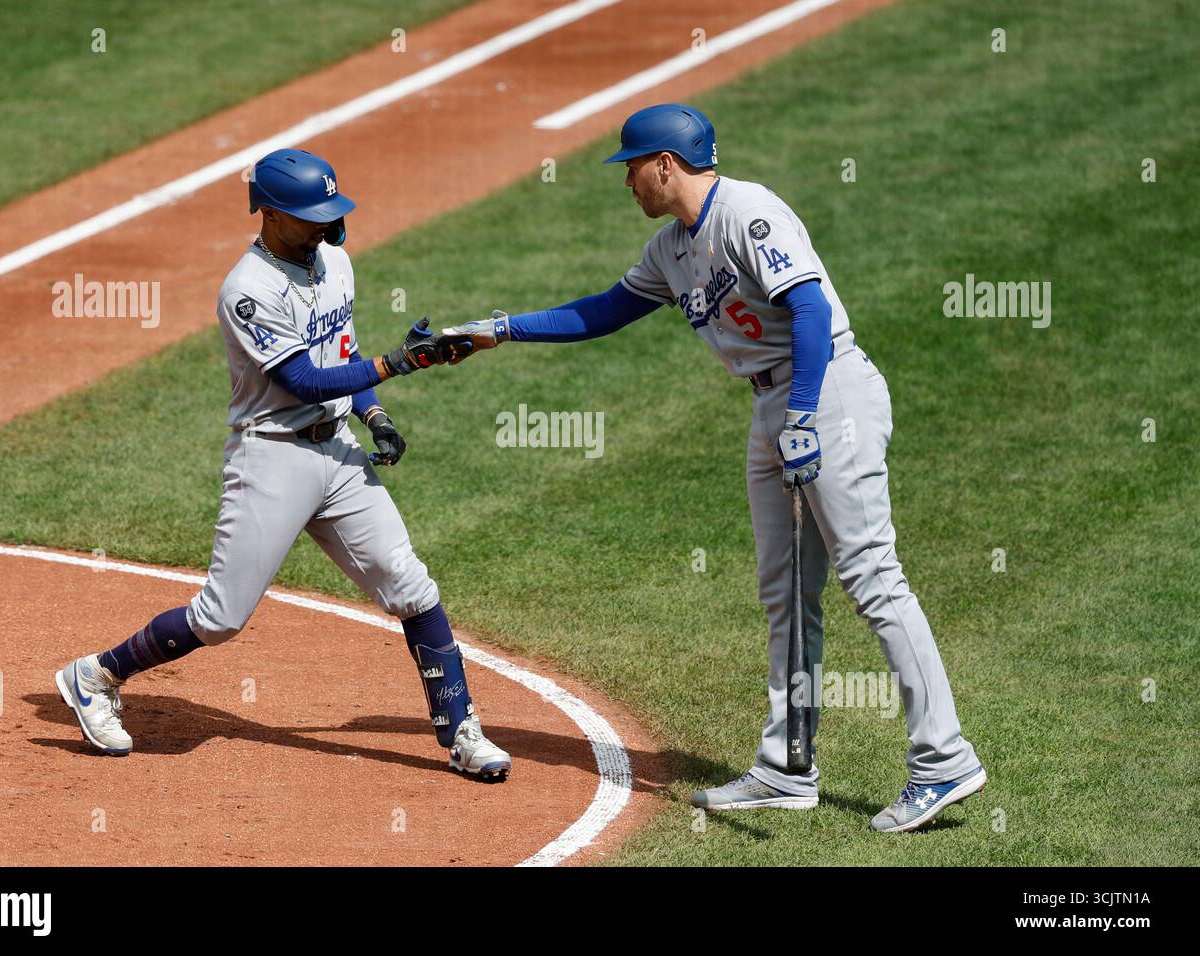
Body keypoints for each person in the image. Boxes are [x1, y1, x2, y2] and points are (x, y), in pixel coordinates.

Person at [436, 104, 984, 830]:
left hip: (826, 394)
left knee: (874, 578)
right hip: (773, 407)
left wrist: (801, 418)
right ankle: (788, 766)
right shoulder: (670, 249)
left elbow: (812, 311)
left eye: (633, 165)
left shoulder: (748, 213)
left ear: (667, 163)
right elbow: (602, 312)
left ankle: (943, 760)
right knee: (786, 593)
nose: (626, 180)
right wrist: (500, 329)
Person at [54, 148, 511, 781]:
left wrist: (373, 413)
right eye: (310, 215)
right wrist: (401, 363)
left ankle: (462, 732)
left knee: (412, 587)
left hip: (339, 453)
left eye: (330, 211)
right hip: (272, 457)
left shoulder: (337, 262)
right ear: (269, 215)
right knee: (220, 618)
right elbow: (302, 379)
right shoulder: (247, 291)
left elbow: (340, 349)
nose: (326, 224)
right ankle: (97, 675)